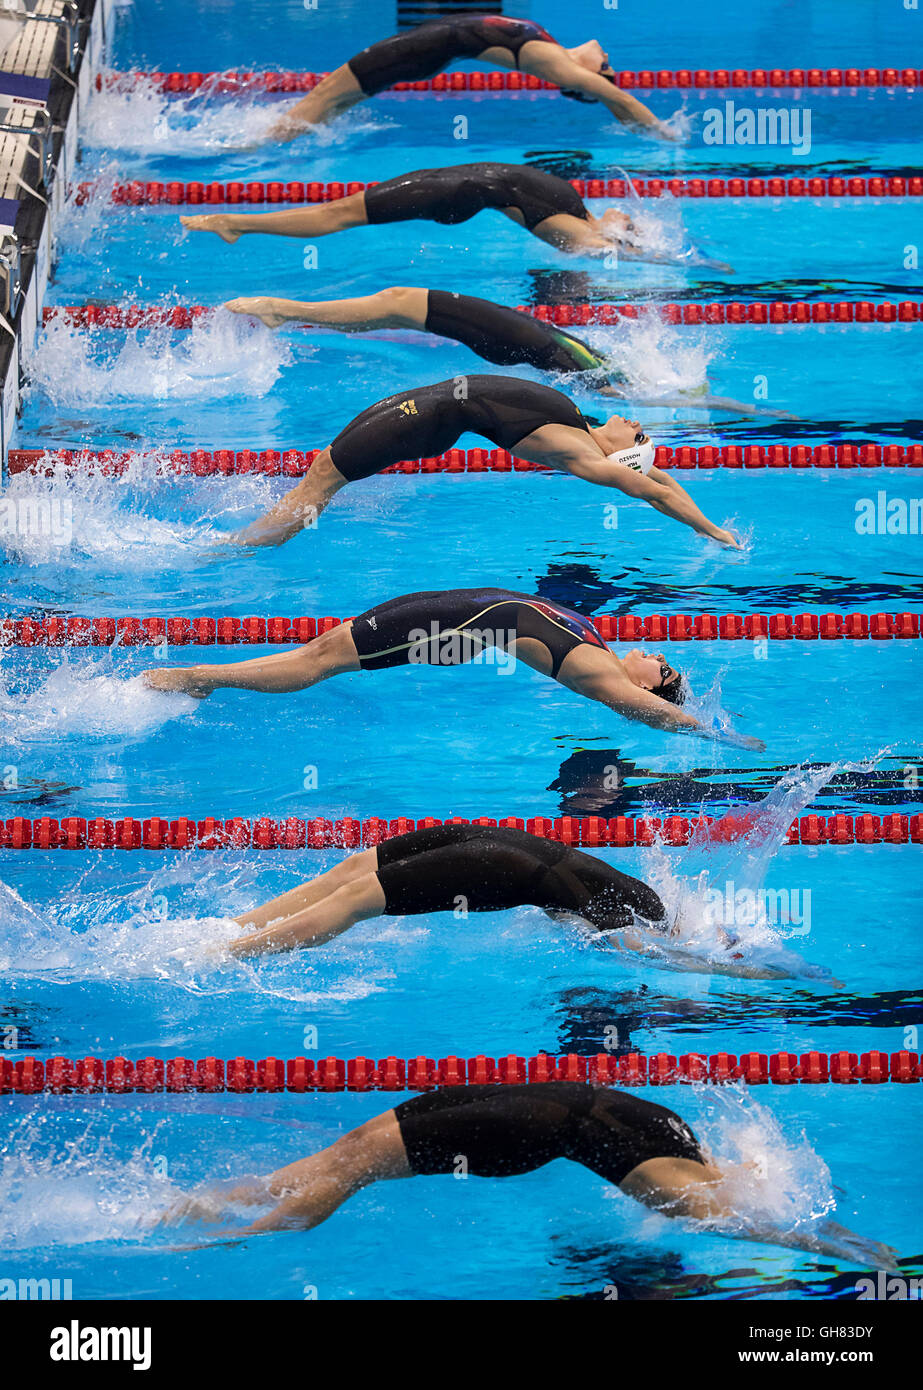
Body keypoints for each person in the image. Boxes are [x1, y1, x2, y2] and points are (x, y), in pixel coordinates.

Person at [159, 1080, 897, 1271]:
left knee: (351, 1168)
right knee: (348, 1157)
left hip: (568, 1123)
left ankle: (869, 1257)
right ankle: (201, 1212)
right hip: (609, 1112)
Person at [142, 584, 765, 751]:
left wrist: (716, 734)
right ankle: (200, 679)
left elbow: (650, 714)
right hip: (449, 617)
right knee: (328, 649)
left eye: (661, 666)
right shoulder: (595, 644)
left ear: (649, 685)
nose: (656, 654)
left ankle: (198, 679)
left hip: (446, 625)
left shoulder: (599, 675)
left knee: (322, 657)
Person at [205, 376, 739, 549]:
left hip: (428, 416)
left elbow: (650, 488)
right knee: (323, 472)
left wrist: (712, 530)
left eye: (638, 432)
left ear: (622, 450)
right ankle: (253, 534)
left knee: (323, 481)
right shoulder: (581, 425)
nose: (631, 418)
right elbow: (659, 476)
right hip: (431, 402)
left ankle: (233, 551)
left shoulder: (579, 452)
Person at [223, 287, 792, 416]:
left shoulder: (591, 369)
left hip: (513, 337)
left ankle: (285, 310)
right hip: (511, 341)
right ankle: (300, 315)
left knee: (398, 302)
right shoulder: (594, 358)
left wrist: (742, 409)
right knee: (394, 307)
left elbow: (645, 398)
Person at [224, 823, 668, 955]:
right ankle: (222, 953)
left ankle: (226, 932)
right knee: (354, 900)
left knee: (352, 875)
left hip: (500, 840)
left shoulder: (647, 894)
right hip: (503, 863)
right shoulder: (631, 922)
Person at [178, 160, 709, 264]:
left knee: (335, 213)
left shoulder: (570, 205)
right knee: (335, 215)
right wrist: (671, 261)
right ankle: (235, 222)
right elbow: (601, 245)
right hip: (459, 188)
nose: (621, 210)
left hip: (458, 183)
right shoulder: (576, 221)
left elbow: (605, 240)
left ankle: (235, 223)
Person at [259, 15, 673, 140]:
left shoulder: (556, 65)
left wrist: (665, 135)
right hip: (420, 52)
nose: (607, 58)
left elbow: (622, 100)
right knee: (324, 107)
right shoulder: (554, 47)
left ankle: (248, 147)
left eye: (606, 69)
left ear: (585, 79)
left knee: (317, 102)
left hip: (415, 52)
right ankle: (268, 138)